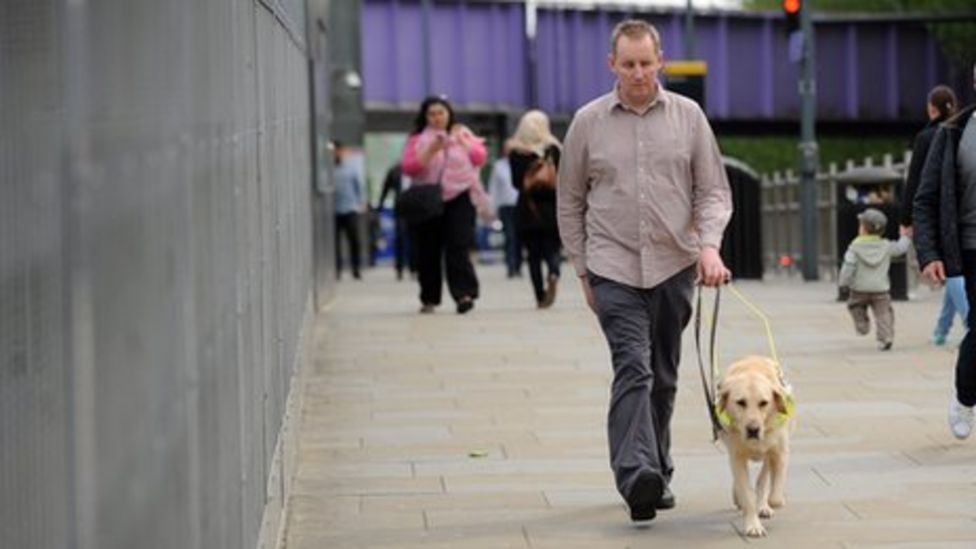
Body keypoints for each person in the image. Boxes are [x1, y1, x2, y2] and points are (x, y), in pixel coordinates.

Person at [557, 19, 732, 522]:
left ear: (661, 62)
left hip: (675, 265)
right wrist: (583, 272)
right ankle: (636, 477)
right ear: (612, 64)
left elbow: (714, 191)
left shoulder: (689, 117)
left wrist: (709, 248)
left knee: (663, 376)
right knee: (632, 367)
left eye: (645, 63)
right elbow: (569, 202)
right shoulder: (588, 123)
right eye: (627, 64)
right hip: (612, 266)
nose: (637, 73)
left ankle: (659, 467)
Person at [914, 62, 976, 440]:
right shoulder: (954, 132)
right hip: (971, 247)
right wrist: (929, 252)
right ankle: (965, 397)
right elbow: (925, 199)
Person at [401, 96, 490, 314]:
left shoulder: (461, 133)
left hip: (460, 196)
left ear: (449, 113)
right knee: (428, 250)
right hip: (429, 199)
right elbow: (409, 167)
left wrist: (464, 142)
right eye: (432, 113)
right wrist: (431, 149)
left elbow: (479, 158)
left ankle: (464, 295)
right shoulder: (418, 139)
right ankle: (429, 297)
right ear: (425, 116)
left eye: (441, 112)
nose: (437, 117)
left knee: (458, 247)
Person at [900, 85, 966, 346]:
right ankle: (941, 329)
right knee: (953, 268)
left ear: (931, 108)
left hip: (938, 214)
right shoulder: (963, 130)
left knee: (952, 272)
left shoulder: (927, 137)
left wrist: (906, 218)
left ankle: (971, 320)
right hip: (961, 210)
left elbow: (916, 182)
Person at [509, 110, 563, 308]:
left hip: (528, 208)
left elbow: (516, 183)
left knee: (533, 255)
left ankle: (540, 296)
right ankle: (554, 272)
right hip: (552, 206)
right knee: (552, 248)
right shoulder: (554, 149)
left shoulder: (516, 153)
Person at [838, 208, 912, 351]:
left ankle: (862, 325)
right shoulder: (886, 246)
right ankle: (886, 338)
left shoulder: (854, 248)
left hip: (858, 289)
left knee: (854, 306)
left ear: (863, 229)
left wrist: (843, 283)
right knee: (884, 313)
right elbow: (901, 248)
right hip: (880, 289)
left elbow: (848, 266)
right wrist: (906, 236)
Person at [489, 139, 522, 278]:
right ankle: (510, 266)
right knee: (510, 236)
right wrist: (492, 207)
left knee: (519, 236)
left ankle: (518, 266)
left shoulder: (522, 163)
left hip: (520, 204)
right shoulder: (498, 166)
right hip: (505, 205)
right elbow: (494, 188)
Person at [377, 162, 415, 280]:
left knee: (415, 239)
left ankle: (414, 268)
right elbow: (386, 188)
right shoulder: (395, 170)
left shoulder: (417, 168)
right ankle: (399, 269)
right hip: (400, 209)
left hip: (416, 208)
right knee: (400, 238)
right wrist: (381, 204)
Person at [333, 141, 364, 280]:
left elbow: (358, 187)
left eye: (339, 150)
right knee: (335, 242)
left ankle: (356, 269)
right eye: (334, 151)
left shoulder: (351, 168)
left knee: (354, 240)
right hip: (333, 211)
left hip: (350, 208)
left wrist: (361, 202)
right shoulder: (327, 169)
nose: (337, 153)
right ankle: (337, 270)